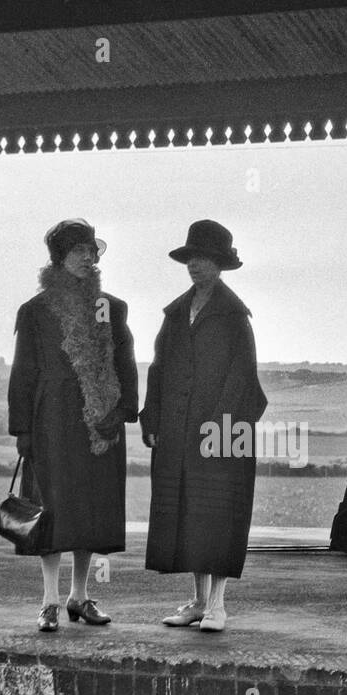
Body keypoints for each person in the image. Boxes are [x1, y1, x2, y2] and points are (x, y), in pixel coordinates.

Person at [8, 218, 138, 632]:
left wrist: (121, 413)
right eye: (79, 250)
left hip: (98, 424)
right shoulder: (35, 311)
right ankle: (48, 600)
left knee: (89, 510)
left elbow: (126, 364)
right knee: (51, 510)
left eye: (92, 251)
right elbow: (23, 371)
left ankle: (79, 597)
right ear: (59, 258)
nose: (88, 257)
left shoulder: (111, 308)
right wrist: (23, 430)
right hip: (51, 422)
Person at [140, 220, 267, 632]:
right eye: (191, 258)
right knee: (189, 514)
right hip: (178, 431)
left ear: (220, 265)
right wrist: (151, 418)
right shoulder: (175, 315)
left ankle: (217, 605)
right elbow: (158, 370)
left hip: (223, 433)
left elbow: (243, 377)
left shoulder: (233, 316)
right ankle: (196, 601)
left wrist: (222, 427)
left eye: (204, 258)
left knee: (218, 515)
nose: (195, 265)